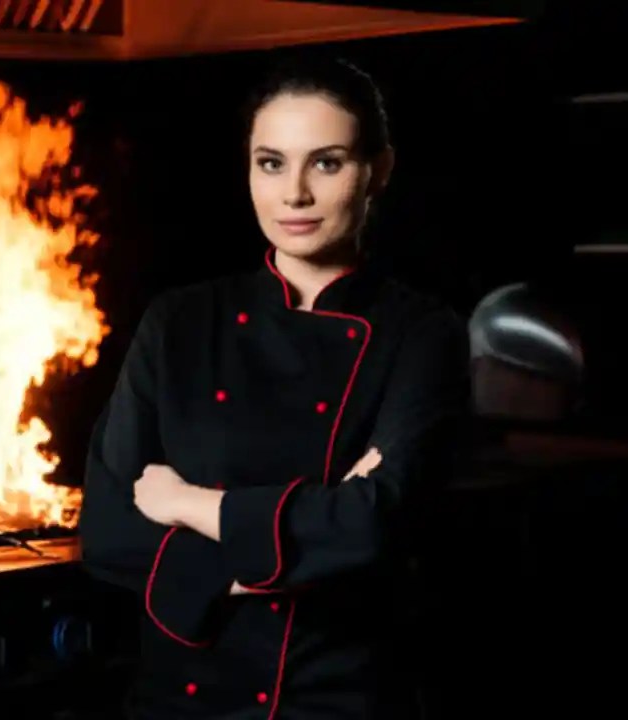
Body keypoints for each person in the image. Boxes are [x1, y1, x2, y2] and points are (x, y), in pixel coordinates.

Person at [78, 55, 470, 719]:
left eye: (326, 162)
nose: (294, 194)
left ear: (378, 172)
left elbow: (374, 527)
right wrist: (307, 539)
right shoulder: (179, 323)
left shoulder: (422, 334)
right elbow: (110, 530)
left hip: (338, 698)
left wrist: (186, 502)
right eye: (271, 162)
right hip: (181, 699)